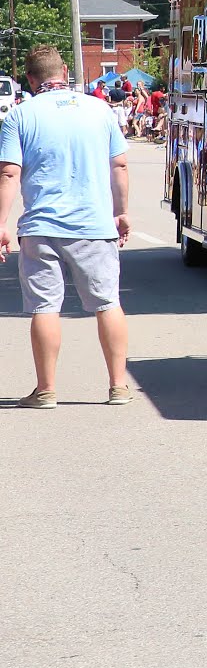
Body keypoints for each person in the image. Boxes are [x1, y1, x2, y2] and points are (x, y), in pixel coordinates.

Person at [0, 46, 132, 408]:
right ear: (65, 71)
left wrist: (1, 224)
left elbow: (10, 172)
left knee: (44, 307)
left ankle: (45, 390)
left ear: (29, 79)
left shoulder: (19, 116)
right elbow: (119, 165)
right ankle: (118, 386)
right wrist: (120, 213)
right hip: (93, 224)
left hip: (41, 226)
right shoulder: (100, 109)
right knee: (107, 303)